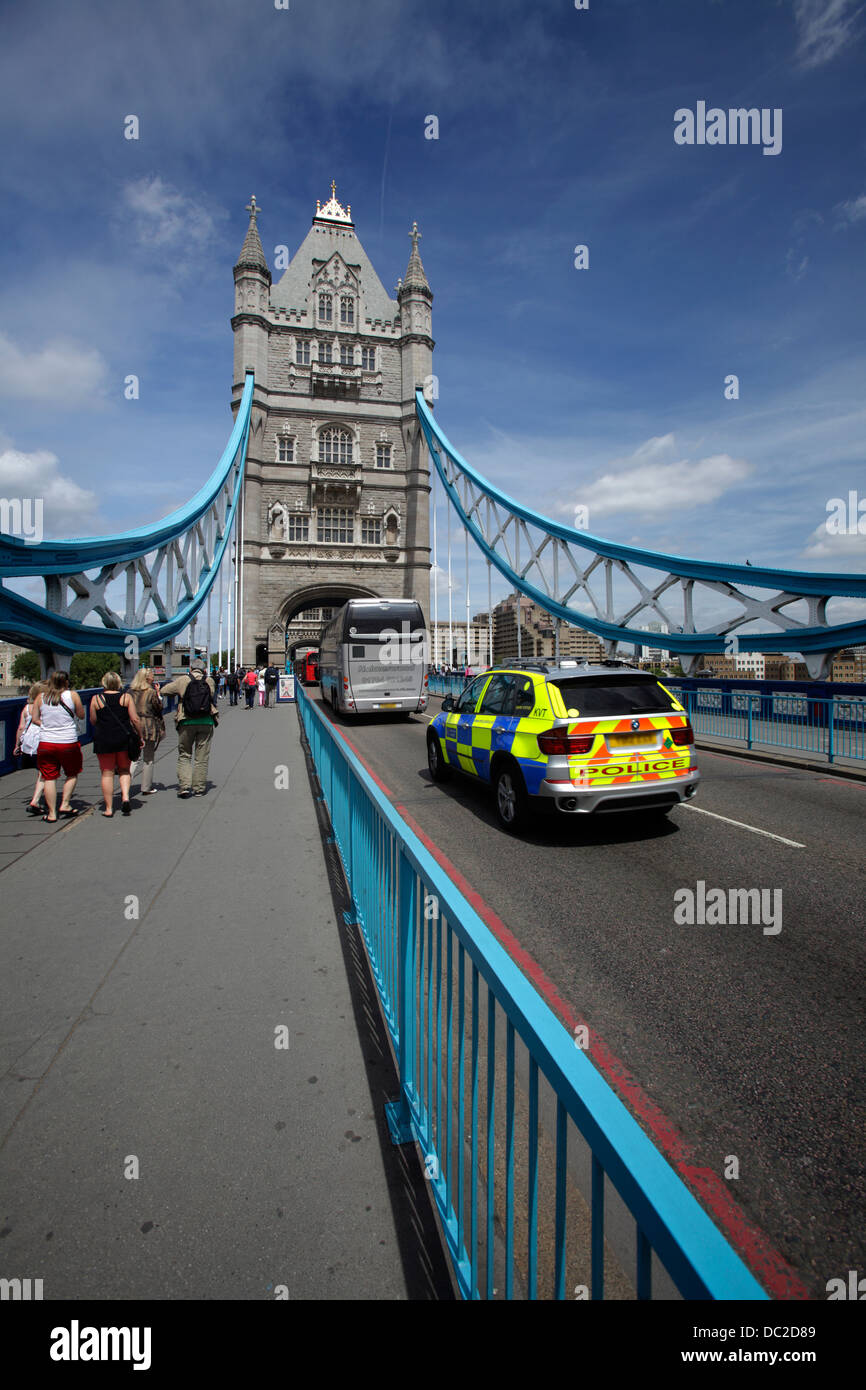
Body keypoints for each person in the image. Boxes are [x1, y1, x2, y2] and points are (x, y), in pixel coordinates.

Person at [31, 671, 85, 821]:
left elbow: (35, 719)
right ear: (66, 682)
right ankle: (65, 804)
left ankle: (52, 814)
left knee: (49, 777)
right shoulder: (72, 695)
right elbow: (81, 715)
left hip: (46, 743)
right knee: (72, 773)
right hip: (67, 742)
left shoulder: (40, 698)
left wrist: (48, 726)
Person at [90, 671, 144, 817]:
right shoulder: (126, 697)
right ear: (118, 682)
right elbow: (135, 719)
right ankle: (125, 798)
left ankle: (108, 808)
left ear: (104, 683)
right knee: (124, 770)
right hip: (123, 739)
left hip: (104, 740)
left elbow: (93, 720)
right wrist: (140, 736)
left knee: (107, 773)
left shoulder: (96, 699)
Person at [160, 661, 217, 797]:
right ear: (204, 670)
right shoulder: (209, 681)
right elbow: (211, 695)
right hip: (206, 720)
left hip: (186, 720)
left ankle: (185, 786)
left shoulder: (183, 680)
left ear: (190, 668)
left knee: (185, 754)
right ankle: (199, 788)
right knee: (201, 756)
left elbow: (164, 691)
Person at [128, 667, 165, 794]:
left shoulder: (129, 692)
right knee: (148, 758)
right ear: (147, 678)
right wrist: (159, 694)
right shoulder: (151, 692)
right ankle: (146, 787)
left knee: (134, 757)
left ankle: (125, 785)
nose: (153, 677)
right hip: (148, 726)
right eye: (152, 676)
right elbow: (159, 708)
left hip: (133, 725)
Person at [14, 681, 47, 815]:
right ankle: (36, 800)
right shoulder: (45, 706)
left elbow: (21, 728)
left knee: (41, 771)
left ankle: (38, 799)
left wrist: (17, 745)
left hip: (29, 744)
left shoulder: (27, 708)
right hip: (42, 741)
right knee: (46, 771)